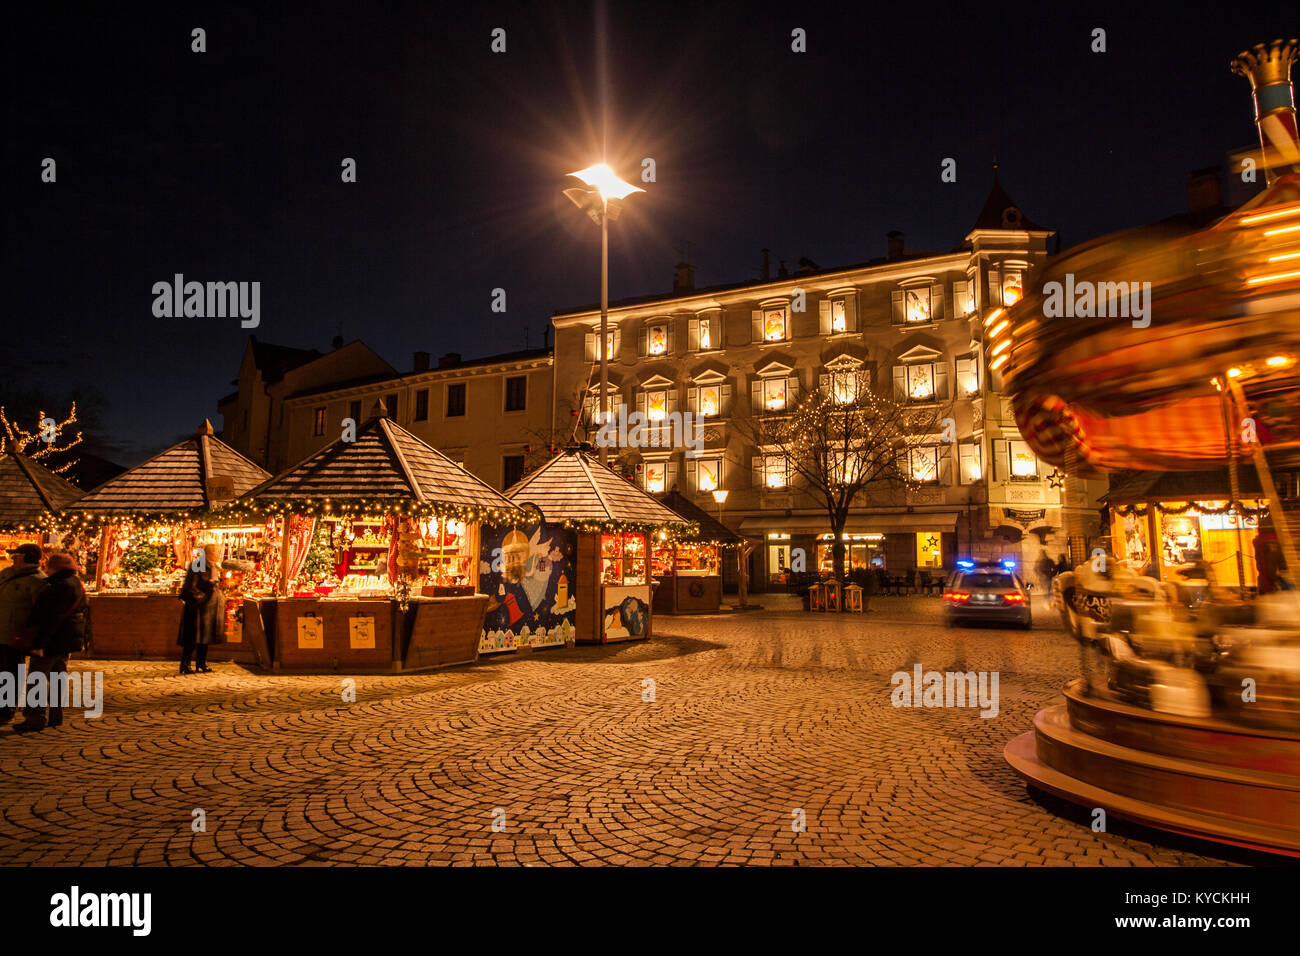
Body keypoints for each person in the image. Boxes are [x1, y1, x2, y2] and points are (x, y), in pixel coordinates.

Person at [14, 552, 89, 733]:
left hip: (52, 640)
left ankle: (35, 717)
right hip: (66, 640)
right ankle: (56, 715)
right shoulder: (76, 583)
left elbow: (49, 618)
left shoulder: (57, 586)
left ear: (54, 567)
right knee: (58, 678)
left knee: (37, 678)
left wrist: (39, 642)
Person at [0, 544, 47, 724]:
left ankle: (6, 708)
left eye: (17, 556)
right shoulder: (6, 574)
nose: (13, 558)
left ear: (28, 558)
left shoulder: (38, 581)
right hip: (1, 631)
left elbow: (40, 612)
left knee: (11, 671)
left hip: (14, 635)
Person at [177, 543, 226, 674]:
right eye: (216, 552)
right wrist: (201, 597)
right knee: (192, 637)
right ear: (210, 553)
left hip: (208, 608)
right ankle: (185, 664)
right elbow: (190, 586)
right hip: (198, 608)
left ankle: (201, 663)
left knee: (204, 637)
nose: (218, 555)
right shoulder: (198, 565)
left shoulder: (213, 566)